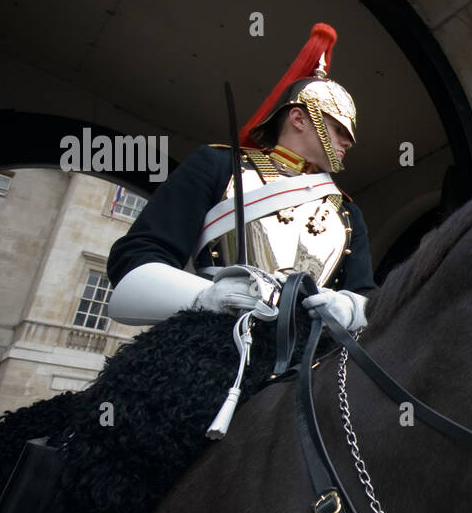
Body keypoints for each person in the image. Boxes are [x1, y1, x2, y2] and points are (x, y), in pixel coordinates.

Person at [107, 22, 375, 338]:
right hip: (213, 334)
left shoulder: (346, 211)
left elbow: (367, 295)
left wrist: (348, 307)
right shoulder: (218, 166)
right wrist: (203, 297)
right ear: (299, 118)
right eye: (340, 130)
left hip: (305, 353)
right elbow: (138, 256)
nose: (349, 143)